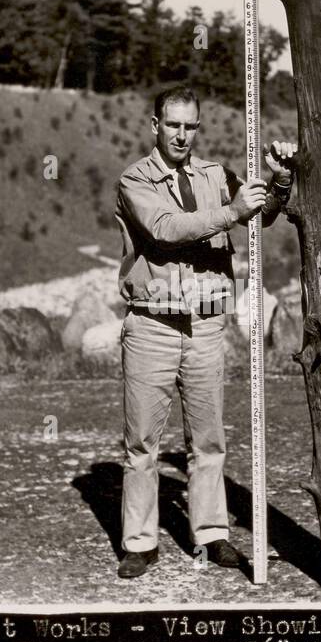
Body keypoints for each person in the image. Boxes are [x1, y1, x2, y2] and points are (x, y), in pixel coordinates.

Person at [113, 84, 296, 579]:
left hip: (207, 327)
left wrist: (279, 182)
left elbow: (264, 217)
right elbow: (166, 229)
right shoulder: (136, 179)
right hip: (152, 325)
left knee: (209, 440)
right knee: (143, 444)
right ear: (156, 127)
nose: (181, 134)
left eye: (190, 126)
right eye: (172, 124)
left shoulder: (216, 176)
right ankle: (139, 541)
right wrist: (233, 211)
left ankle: (212, 534)